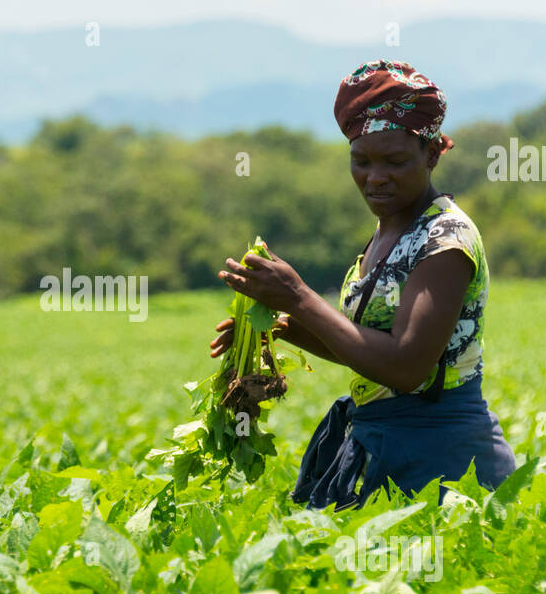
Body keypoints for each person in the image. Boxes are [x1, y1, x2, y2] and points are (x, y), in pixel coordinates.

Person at [211, 59, 517, 509]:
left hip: (444, 458)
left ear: (431, 154)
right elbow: (366, 349)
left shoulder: (446, 240)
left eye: (395, 161)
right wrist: (281, 325)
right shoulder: (388, 233)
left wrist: (298, 296)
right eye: (362, 161)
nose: (375, 177)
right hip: (386, 445)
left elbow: (406, 367)